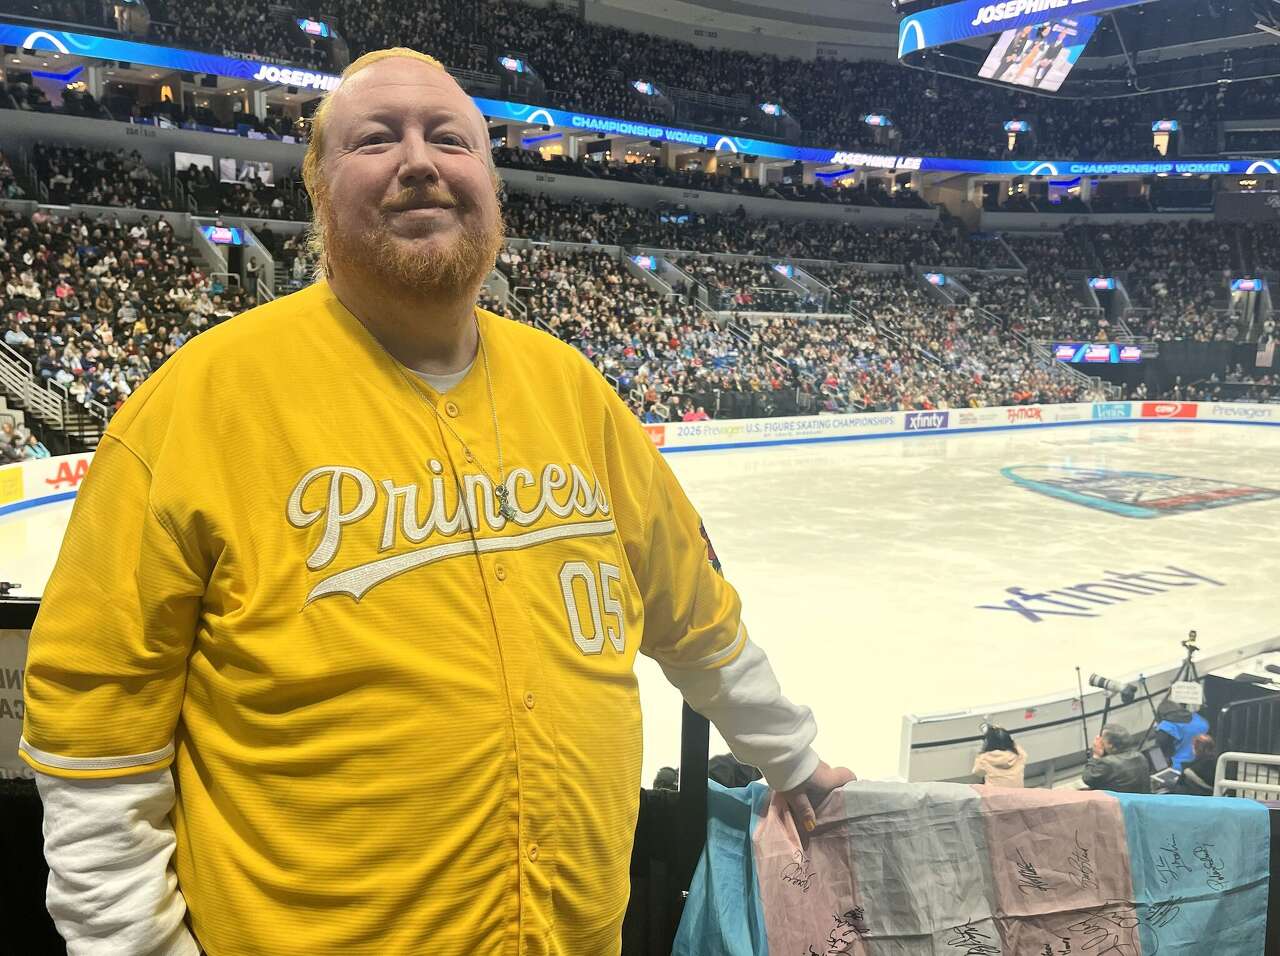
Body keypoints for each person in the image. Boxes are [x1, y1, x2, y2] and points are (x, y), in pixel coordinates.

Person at [20, 48, 854, 956]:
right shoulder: (198, 401)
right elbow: (96, 741)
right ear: (319, 194)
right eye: (376, 138)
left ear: (492, 190)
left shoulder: (569, 388)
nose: (419, 159)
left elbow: (698, 618)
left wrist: (794, 763)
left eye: (449, 138)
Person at [1082, 726, 1150, 794]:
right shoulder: (1140, 756)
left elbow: (1087, 778)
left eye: (1102, 739)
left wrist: (1096, 755)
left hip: (1121, 803)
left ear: (1110, 745)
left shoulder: (1108, 763)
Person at [1154, 699, 1209, 771]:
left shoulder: (1167, 726)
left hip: (1180, 768)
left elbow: (1157, 753)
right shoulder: (1198, 718)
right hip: (1203, 763)